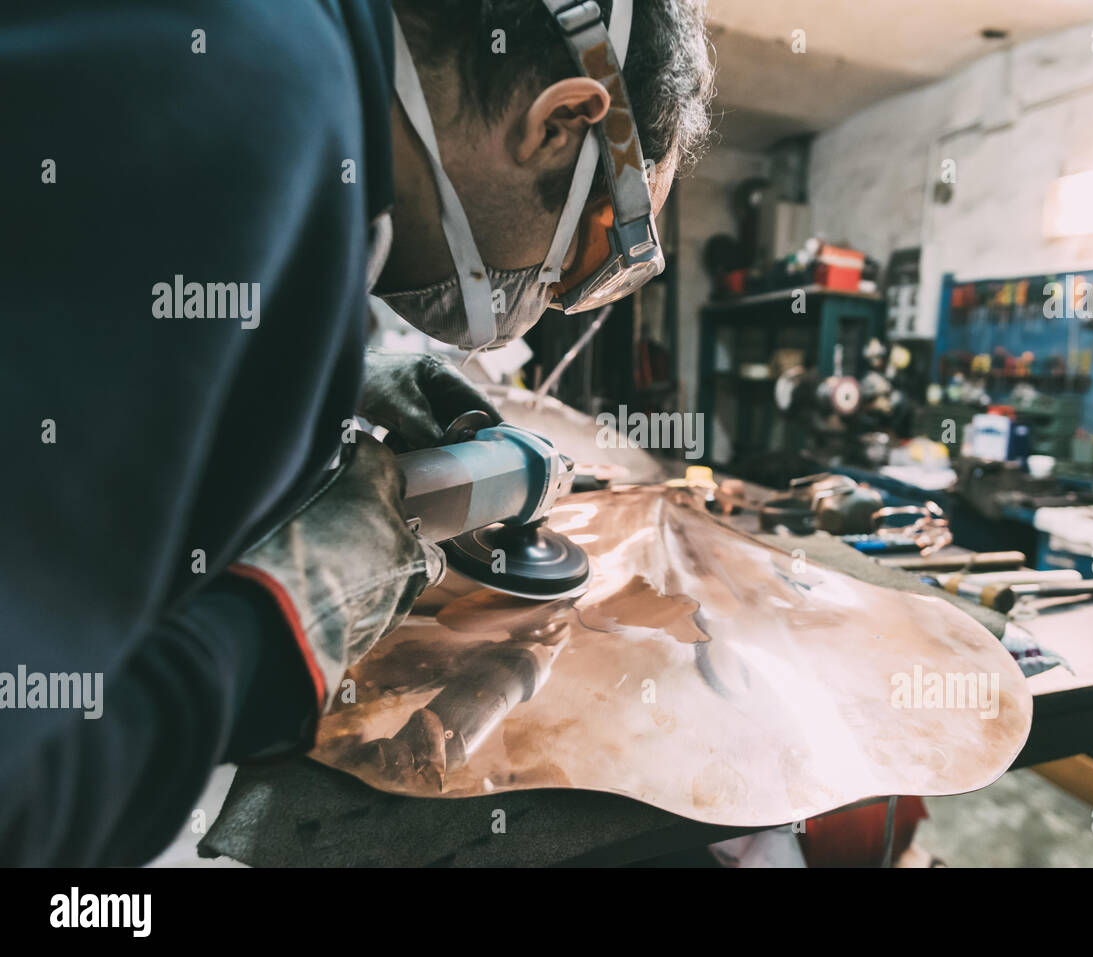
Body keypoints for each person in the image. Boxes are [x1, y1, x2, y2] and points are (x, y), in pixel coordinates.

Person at [0, 0, 712, 865]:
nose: (555, 293)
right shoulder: (260, 97)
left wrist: (306, 378)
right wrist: (288, 622)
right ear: (558, 122)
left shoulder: (279, 63)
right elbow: (30, 795)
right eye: (591, 253)